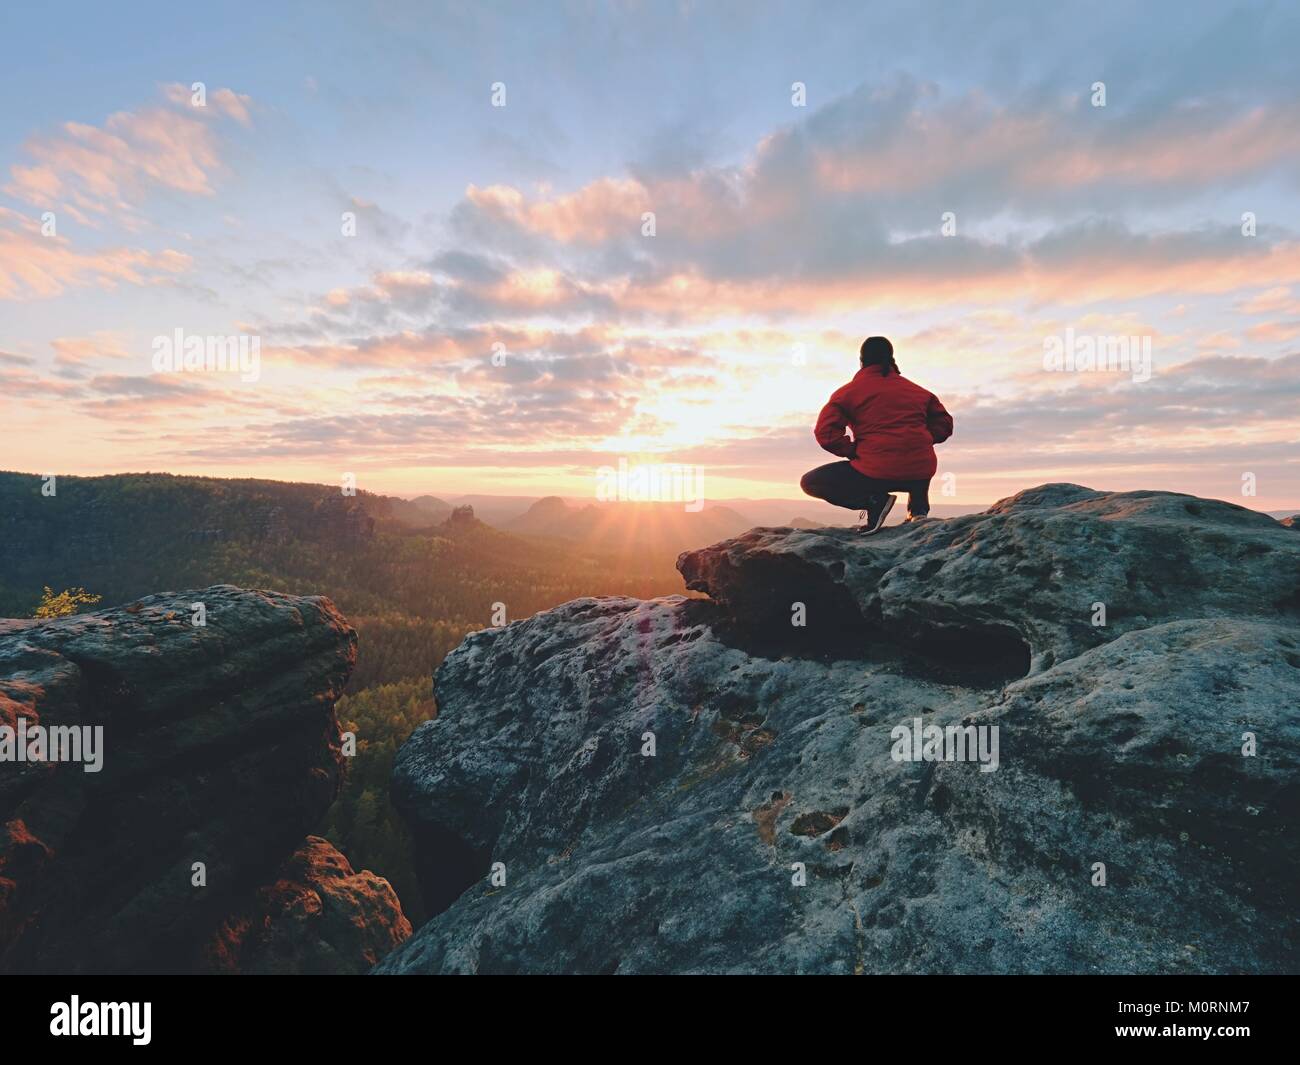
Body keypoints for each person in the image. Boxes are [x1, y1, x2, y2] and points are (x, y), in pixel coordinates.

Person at [800, 336, 953, 534]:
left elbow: (826, 433)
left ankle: (875, 501)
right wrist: (923, 439)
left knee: (810, 482)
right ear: (891, 359)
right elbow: (945, 424)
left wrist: (853, 450)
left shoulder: (848, 393)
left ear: (861, 362)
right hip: (920, 472)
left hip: (876, 472)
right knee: (916, 461)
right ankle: (918, 512)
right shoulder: (920, 392)